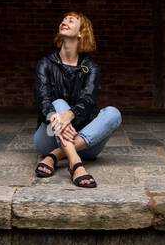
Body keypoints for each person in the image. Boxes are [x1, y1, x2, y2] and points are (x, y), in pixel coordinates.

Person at [31, 12, 121, 189]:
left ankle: (55, 155)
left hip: (86, 141)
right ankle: (75, 164)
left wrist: (69, 116)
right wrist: (57, 116)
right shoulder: (45, 64)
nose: (64, 21)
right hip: (48, 135)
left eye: (71, 20)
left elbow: (88, 100)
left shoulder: (91, 67)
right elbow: (42, 100)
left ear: (81, 32)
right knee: (58, 104)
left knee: (113, 113)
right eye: (63, 19)